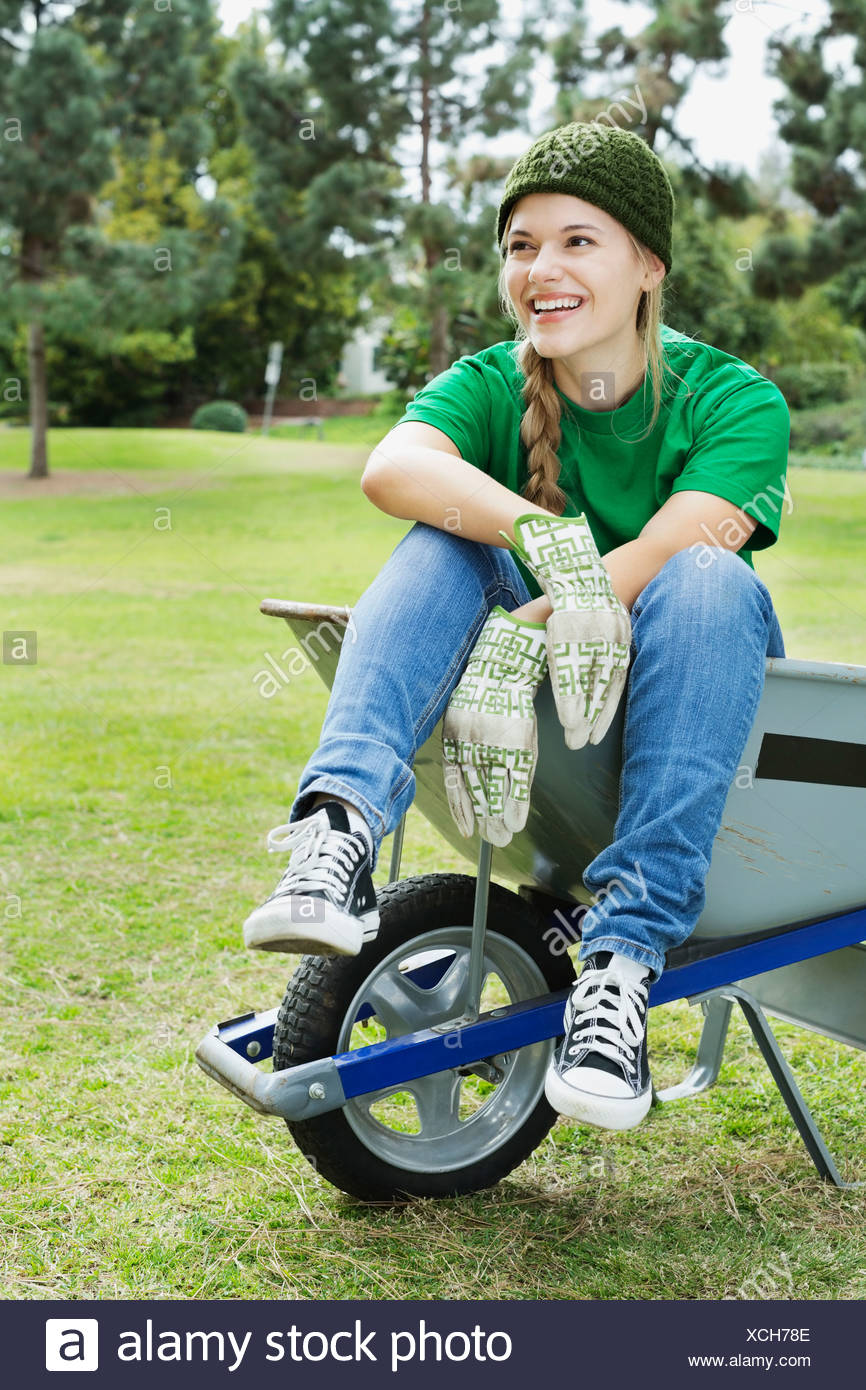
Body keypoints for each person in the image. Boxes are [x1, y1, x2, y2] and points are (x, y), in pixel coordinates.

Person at [241, 121, 789, 1134]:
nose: (541, 268)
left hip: (691, 692)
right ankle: (337, 830)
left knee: (711, 577)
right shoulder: (495, 381)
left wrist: (532, 615)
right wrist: (540, 540)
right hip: (562, 712)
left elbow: (679, 546)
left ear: (647, 264)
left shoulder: (734, 400)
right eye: (520, 245)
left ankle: (618, 965)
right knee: (443, 538)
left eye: (577, 240)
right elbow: (391, 469)